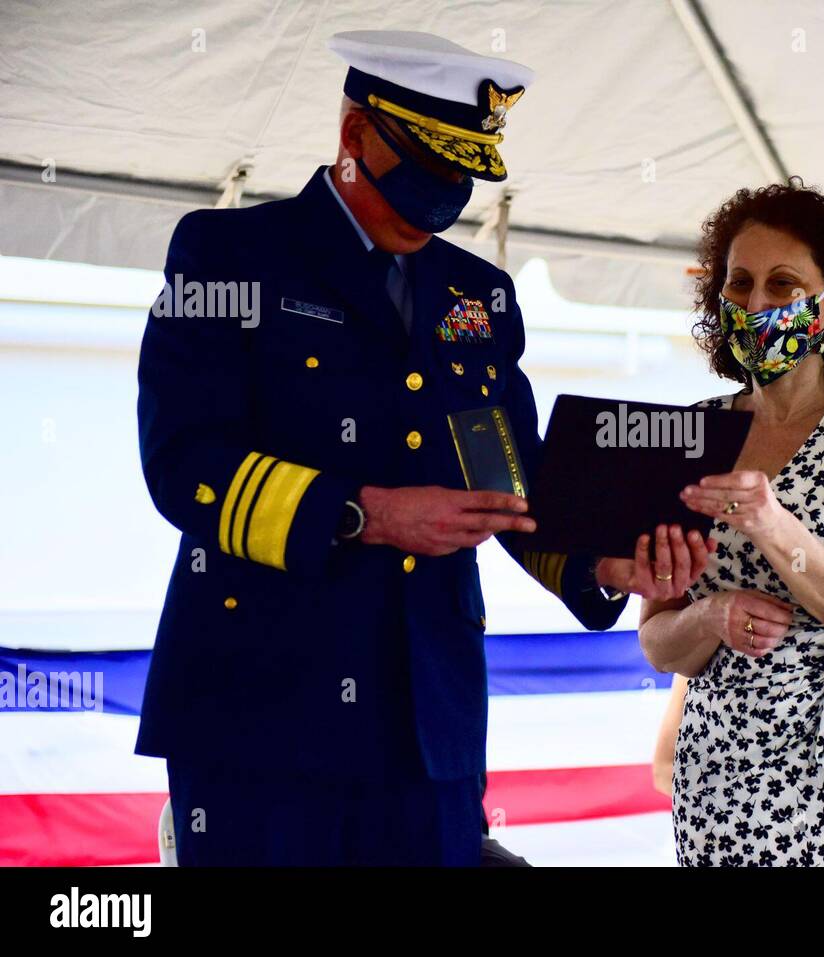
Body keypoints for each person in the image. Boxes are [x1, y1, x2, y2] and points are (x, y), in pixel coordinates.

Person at [136, 29, 711, 867]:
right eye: (423, 172)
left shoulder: (476, 295)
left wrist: (601, 563)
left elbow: (509, 477)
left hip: (426, 724)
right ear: (354, 135)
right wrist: (361, 513)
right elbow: (181, 462)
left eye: (460, 178)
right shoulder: (230, 256)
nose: (441, 201)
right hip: (260, 712)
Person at [640, 179, 824, 866]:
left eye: (782, 284)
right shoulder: (691, 432)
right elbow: (658, 641)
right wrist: (711, 615)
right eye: (740, 283)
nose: (755, 303)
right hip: (721, 779)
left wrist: (772, 523)